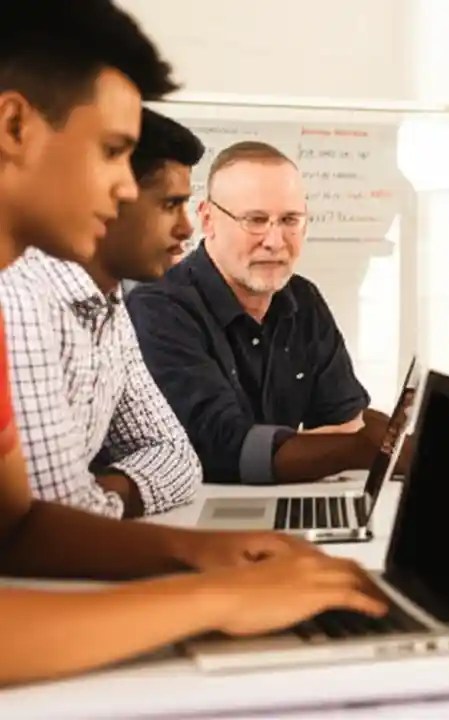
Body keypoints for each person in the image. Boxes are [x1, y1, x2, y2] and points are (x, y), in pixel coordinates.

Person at [0, 0, 382, 687]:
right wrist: (213, 596)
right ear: (15, 126)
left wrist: (209, 554)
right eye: (113, 152)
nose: (126, 187)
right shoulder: (25, 301)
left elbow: (22, 529)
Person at [128, 140, 398, 485]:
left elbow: (346, 421)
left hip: (276, 499)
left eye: (290, 220)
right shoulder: (160, 308)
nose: (275, 240)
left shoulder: (303, 299)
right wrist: (357, 447)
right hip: (191, 515)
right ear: (208, 220)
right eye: (255, 220)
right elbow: (219, 448)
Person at [0, 108, 204, 519]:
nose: (187, 228)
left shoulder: (109, 306)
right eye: (170, 205)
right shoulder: (21, 297)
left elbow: (176, 455)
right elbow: (48, 517)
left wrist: (103, 495)